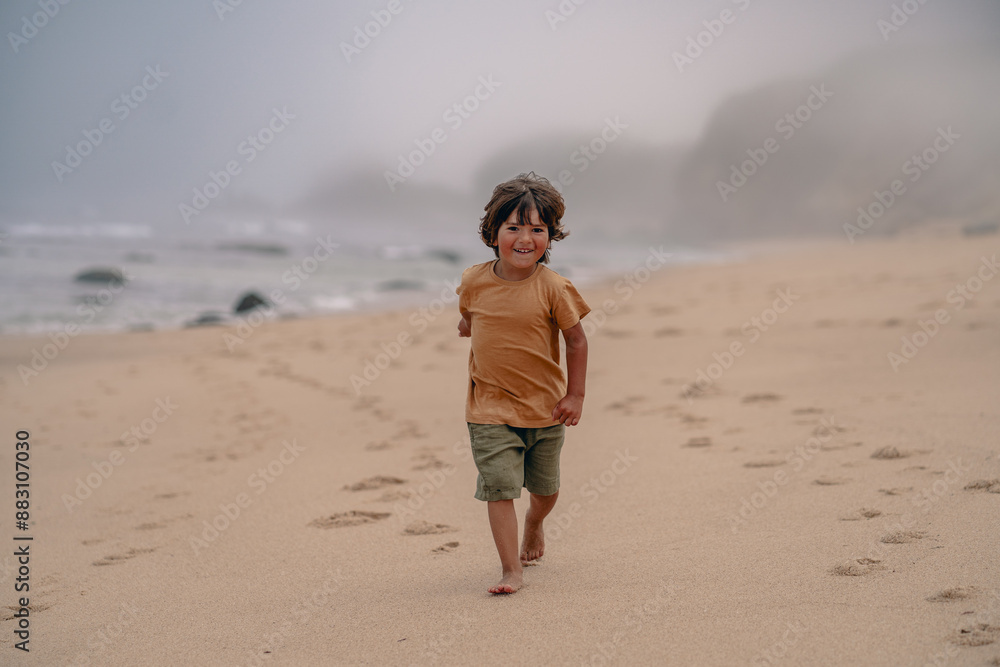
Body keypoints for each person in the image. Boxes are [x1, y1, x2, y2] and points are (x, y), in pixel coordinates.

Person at [455, 171, 590, 594]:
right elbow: (470, 312)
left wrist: (576, 394)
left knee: (545, 490)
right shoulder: (474, 280)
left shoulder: (554, 288)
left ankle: (535, 521)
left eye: (537, 228)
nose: (525, 237)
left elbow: (576, 340)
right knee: (499, 488)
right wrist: (467, 325)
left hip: (545, 408)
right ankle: (510, 570)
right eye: (514, 227)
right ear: (493, 232)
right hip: (489, 407)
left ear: (551, 236)